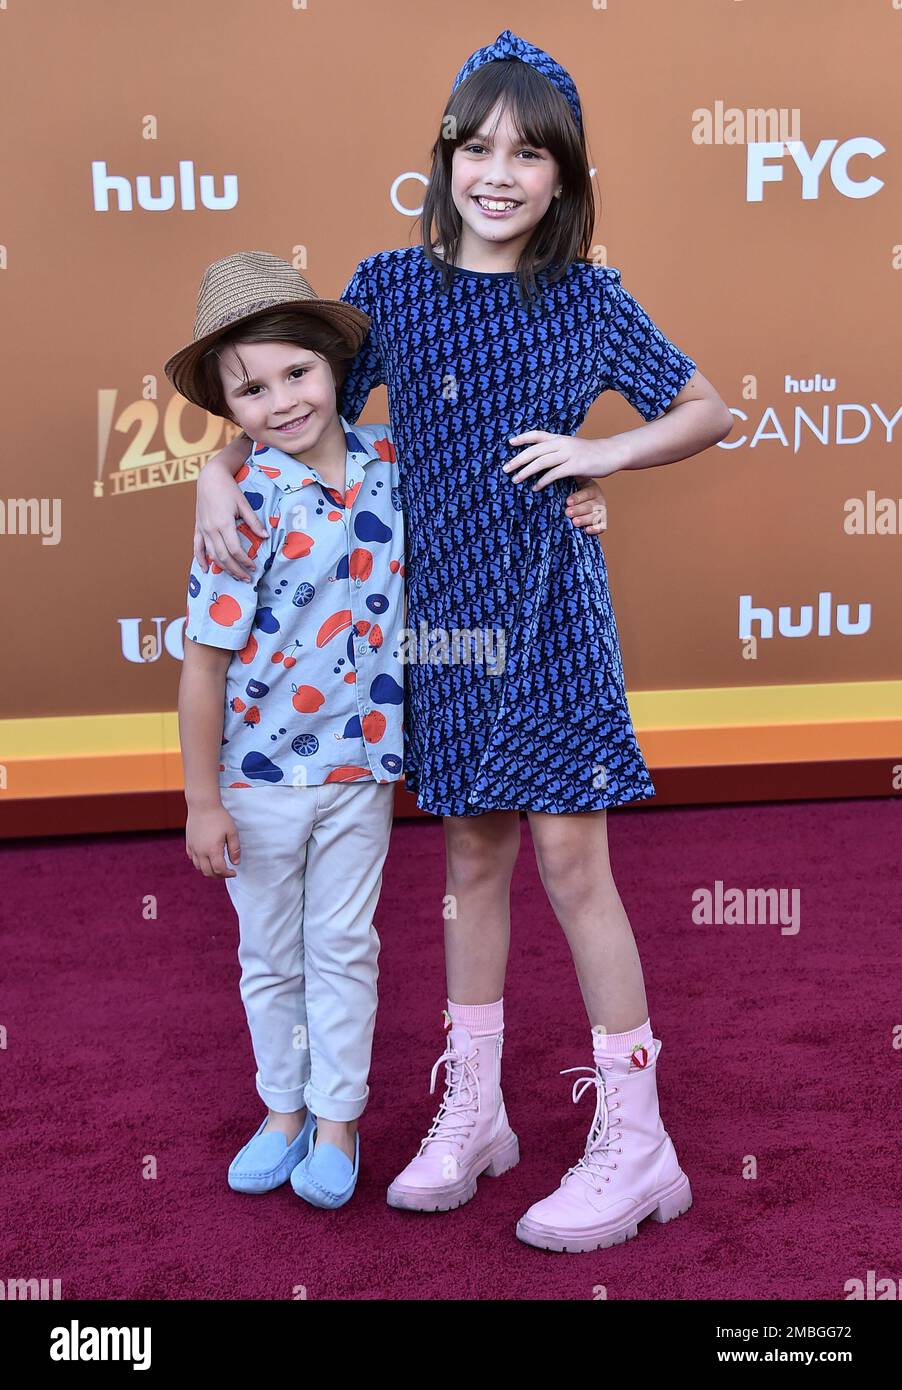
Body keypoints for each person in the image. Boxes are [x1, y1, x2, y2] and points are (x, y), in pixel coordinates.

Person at [191, 32, 733, 1253]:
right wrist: (214, 476)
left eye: (528, 153)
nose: (499, 171)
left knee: (571, 866)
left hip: (547, 618)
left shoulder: (589, 299)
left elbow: (708, 406)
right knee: (470, 865)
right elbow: (294, 406)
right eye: (477, 145)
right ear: (443, 158)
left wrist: (600, 455)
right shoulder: (387, 283)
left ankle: (639, 1144)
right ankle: (475, 1113)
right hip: (435, 630)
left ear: (561, 177)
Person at [167, 251, 405, 1209]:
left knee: (345, 948)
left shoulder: (396, 463)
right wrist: (201, 802)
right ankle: (282, 1110)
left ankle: (339, 1119)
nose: (281, 400)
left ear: (334, 364)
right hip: (259, 781)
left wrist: (579, 500)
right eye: (251, 390)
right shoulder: (241, 507)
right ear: (231, 410)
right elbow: (204, 664)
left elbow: (491, 508)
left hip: (362, 773)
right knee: (271, 955)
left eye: (296, 372)